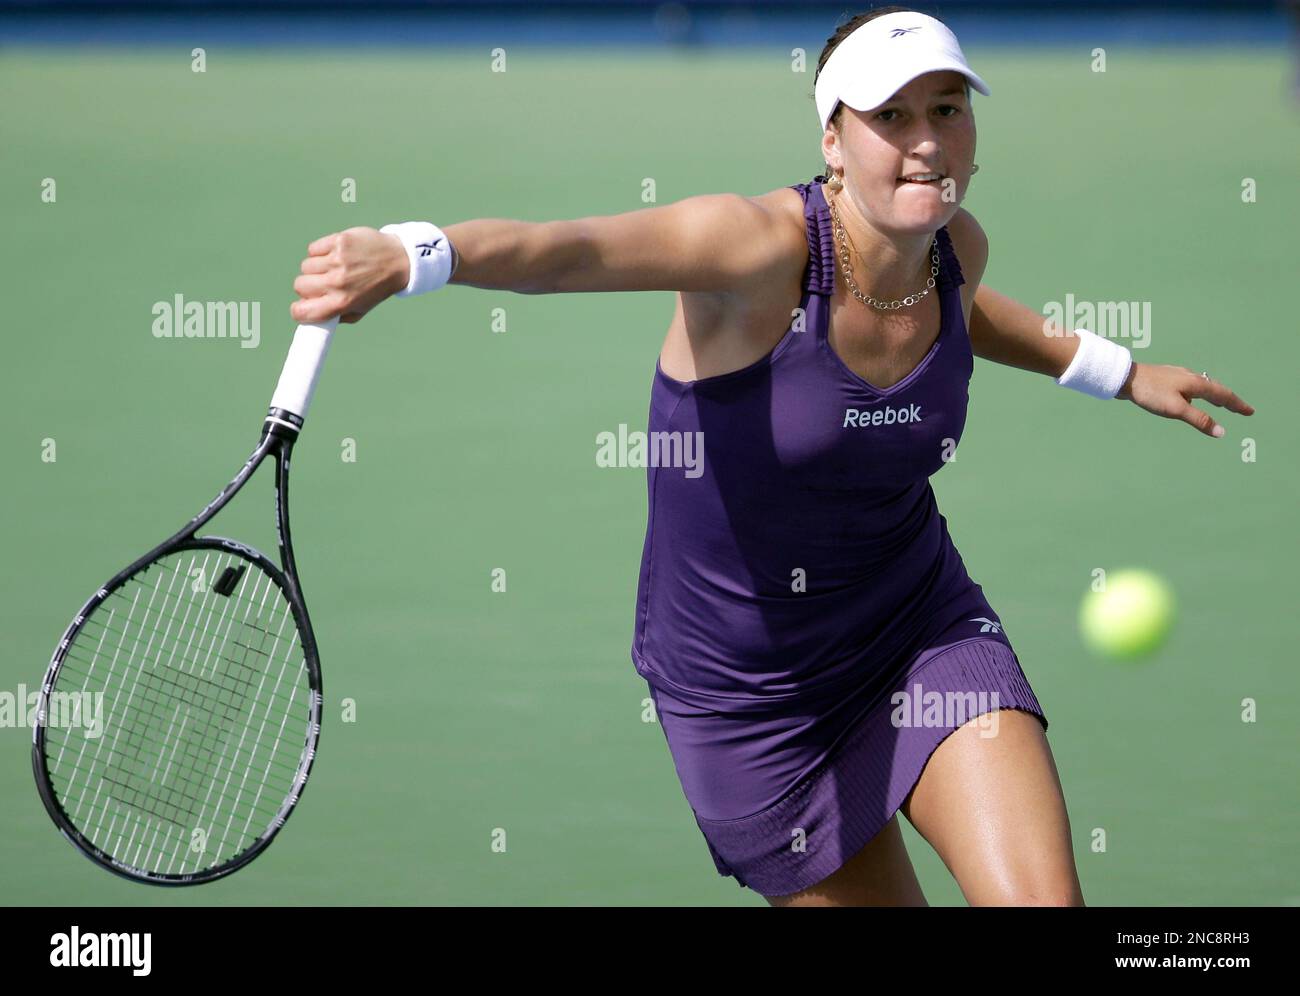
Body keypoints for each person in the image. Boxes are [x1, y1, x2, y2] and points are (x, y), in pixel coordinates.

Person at [287, 7, 1254, 906]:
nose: (926, 140)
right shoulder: (748, 249)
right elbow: (571, 250)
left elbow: (955, 312)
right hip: (749, 695)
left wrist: (1115, 369)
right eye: (891, 115)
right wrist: (413, 254)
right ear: (832, 139)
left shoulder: (959, 244)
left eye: (948, 109)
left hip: (918, 625)